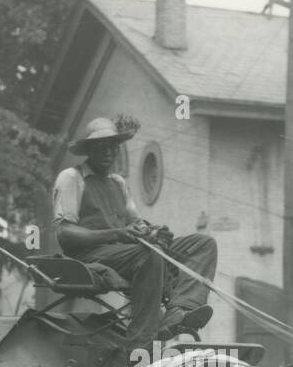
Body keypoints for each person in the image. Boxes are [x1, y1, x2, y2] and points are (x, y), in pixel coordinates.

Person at [52, 116, 217, 349]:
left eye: (113, 146)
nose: (108, 152)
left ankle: (181, 311)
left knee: (203, 244)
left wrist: (153, 232)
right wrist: (118, 234)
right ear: (89, 150)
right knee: (150, 254)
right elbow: (64, 233)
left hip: (126, 252)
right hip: (90, 256)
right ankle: (141, 338)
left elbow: (136, 223)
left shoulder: (118, 183)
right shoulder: (72, 178)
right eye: (101, 147)